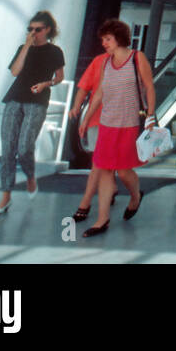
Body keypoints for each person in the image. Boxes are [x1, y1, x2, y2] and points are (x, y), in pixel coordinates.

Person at [79, 19, 156, 237]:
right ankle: (102, 219)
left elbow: (149, 87)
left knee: (123, 171)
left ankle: (135, 197)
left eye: (108, 39)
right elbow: (100, 93)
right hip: (106, 124)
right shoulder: (105, 63)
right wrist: (86, 118)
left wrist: (150, 116)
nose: (104, 43)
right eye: (103, 40)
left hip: (129, 124)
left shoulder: (137, 58)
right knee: (104, 169)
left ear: (119, 39)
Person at [0, 11, 65, 216]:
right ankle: (6, 196)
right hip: (14, 98)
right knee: (7, 148)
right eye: (30, 29)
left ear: (48, 29)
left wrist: (45, 84)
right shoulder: (23, 49)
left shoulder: (55, 51)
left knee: (24, 147)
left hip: (37, 101)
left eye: (37, 29)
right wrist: (26, 46)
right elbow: (15, 71)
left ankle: (30, 177)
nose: (33, 32)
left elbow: (60, 77)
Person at [68, 47, 117, 223]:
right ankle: (110, 189)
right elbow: (84, 87)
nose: (106, 43)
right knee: (101, 161)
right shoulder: (98, 61)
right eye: (104, 39)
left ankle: (85, 203)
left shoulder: (129, 62)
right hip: (97, 118)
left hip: (118, 120)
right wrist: (76, 106)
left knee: (100, 162)